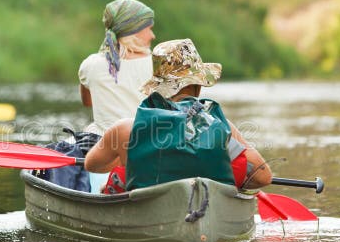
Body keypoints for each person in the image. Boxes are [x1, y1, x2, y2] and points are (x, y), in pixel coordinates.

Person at [84, 39, 272, 193]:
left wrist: (129, 157)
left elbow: (91, 165)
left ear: (158, 88)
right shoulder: (222, 127)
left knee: (105, 188)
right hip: (209, 212)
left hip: (148, 214)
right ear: (198, 86)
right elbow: (263, 176)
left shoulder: (127, 129)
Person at [78, 0, 156, 135]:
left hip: (106, 146)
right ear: (134, 30)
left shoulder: (90, 65)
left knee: (90, 129)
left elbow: (88, 102)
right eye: (149, 29)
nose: (152, 36)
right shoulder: (157, 64)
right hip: (145, 143)